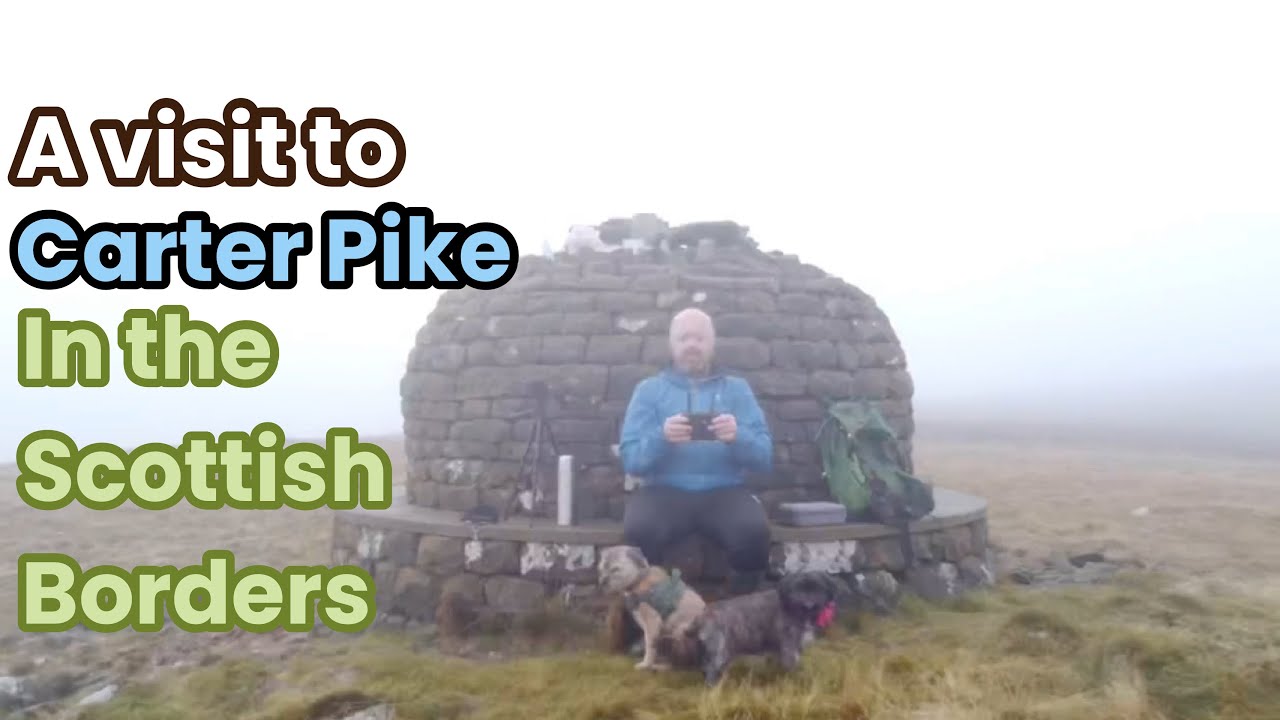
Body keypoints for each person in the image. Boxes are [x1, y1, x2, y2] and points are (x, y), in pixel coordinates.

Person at [619, 308, 774, 594]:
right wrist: (662, 438)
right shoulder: (649, 391)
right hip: (664, 490)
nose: (692, 345)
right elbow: (631, 459)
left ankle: (738, 615)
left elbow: (764, 456)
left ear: (712, 343)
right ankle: (656, 612)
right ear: (672, 344)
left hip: (725, 490)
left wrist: (737, 436)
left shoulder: (737, 390)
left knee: (754, 533)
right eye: (684, 338)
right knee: (639, 531)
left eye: (700, 338)